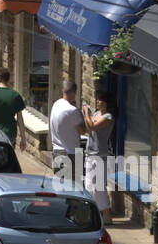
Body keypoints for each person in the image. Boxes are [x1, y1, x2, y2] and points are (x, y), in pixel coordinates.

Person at [82, 92, 114, 223]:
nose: (97, 102)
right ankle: (94, 213)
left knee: (99, 185)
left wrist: (86, 113)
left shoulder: (108, 117)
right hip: (90, 153)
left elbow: (93, 127)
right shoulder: (95, 115)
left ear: (106, 103)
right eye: (97, 100)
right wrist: (86, 116)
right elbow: (87, 128)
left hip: (100, 155)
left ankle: (106, 215)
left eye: (99, 100)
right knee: (89, 185)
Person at [49, 80, 85, 187]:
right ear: (74, 92)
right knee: (74, 190)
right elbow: (83, 130)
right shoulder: (72, 110)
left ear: (63, 91)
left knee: (60, 189)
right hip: (71, 154)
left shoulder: (56, 104)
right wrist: (82, 112)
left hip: (57, 152)